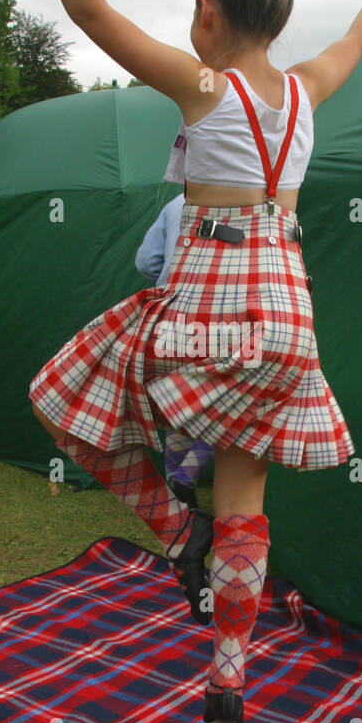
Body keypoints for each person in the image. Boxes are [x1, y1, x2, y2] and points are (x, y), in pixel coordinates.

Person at [26, 0, 362, 723]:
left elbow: (90, 14)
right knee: (243, 497)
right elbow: (358, 38)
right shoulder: (308, 89)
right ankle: (228, 673)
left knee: (62, 399)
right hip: (287, 319)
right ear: (279, 21)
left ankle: (174, 527)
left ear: (206, 14)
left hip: (207, 310)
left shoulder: (204, 87)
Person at [135, 192, 215, 511]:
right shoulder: (246, 201)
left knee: (177, 404)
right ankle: (186, 476)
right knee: (228, 404)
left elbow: (146, 261)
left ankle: (178, 496)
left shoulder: (176, 203)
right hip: (216, 315)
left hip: (168, 312)